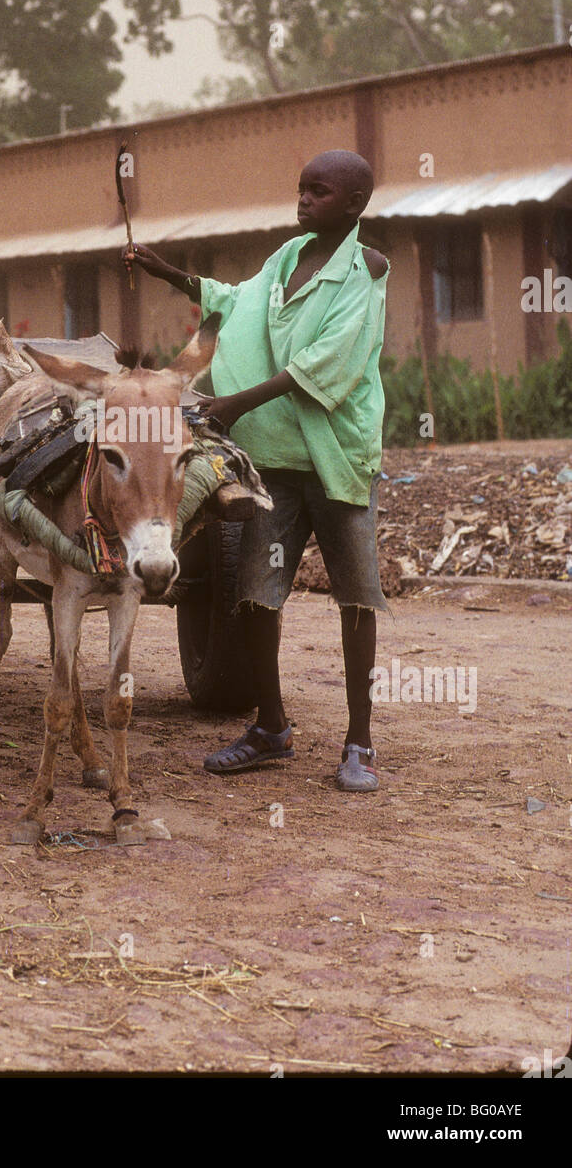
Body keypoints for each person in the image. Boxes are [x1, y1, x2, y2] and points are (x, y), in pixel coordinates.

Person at [123, 149, 389, 792]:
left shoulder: (368, 271)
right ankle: (271, 728)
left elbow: (328, 363)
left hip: (336, 460)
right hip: (272, 459)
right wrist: (170, 274)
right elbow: (236, 302)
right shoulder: (286, 257)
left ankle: (360, 742)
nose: (304, 200)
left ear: (354, 205)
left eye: (319, 192)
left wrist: (233, 403)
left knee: (356, 598)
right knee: (258, 595)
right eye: (301, 189)